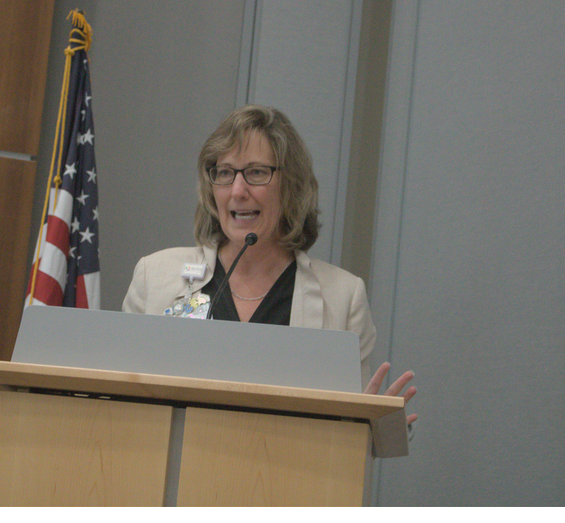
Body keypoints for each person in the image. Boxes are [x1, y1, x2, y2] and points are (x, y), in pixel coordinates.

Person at [122, 105, 417, 427]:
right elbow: (120, 406)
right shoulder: (155, 276)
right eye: (224, 173)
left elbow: (349, 435)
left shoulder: (342, 297)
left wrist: (375, 423)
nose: (237, 191)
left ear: (290, 185)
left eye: (256, 173)